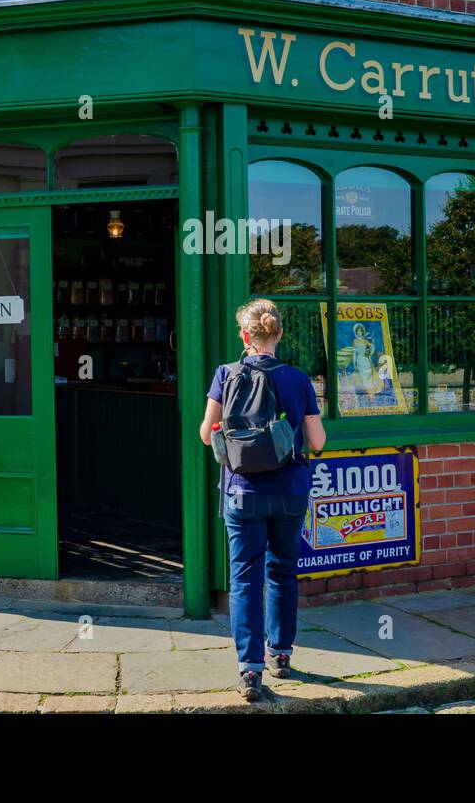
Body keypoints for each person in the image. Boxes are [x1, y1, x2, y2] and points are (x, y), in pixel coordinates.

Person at [198, 299, 326, 701]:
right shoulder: (298, 379)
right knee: (283, 572)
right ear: (280, 333)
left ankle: (250, 671)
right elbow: (318, 441)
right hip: (289, 492)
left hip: (241, 493)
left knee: (244, 578)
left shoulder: (225, 374)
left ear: (244, 335)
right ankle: (281, 655)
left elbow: (206, 434)